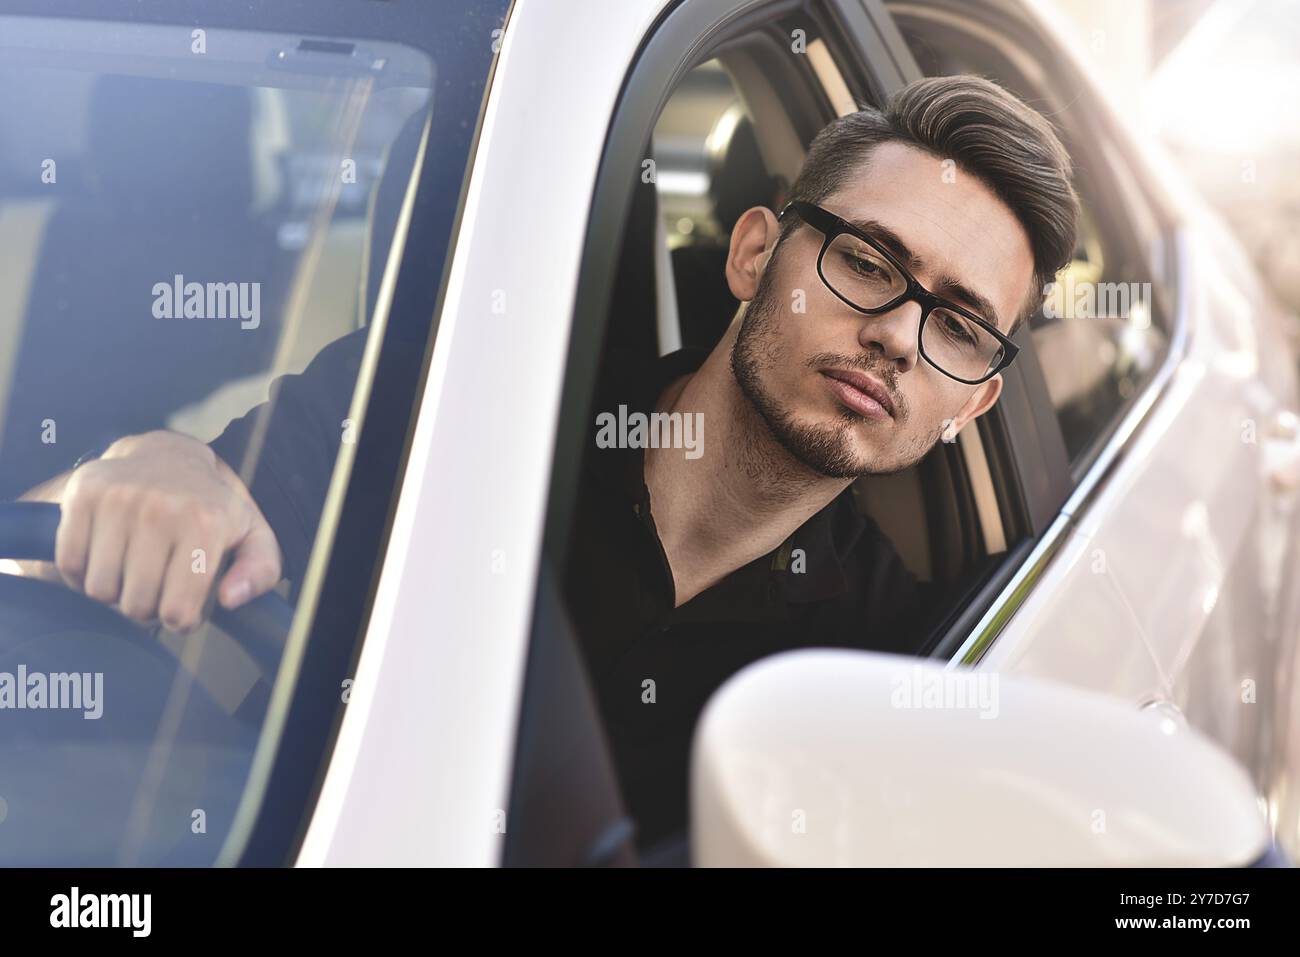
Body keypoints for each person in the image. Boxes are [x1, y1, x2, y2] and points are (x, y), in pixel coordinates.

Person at [19, 75, 1079, 845]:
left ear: (974, 400)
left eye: (956, 325)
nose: (897, 333)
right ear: (755, 253)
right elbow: (143, 509)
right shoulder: (452, 409)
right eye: (867, 260)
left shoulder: (890, 667)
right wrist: (154, 469)